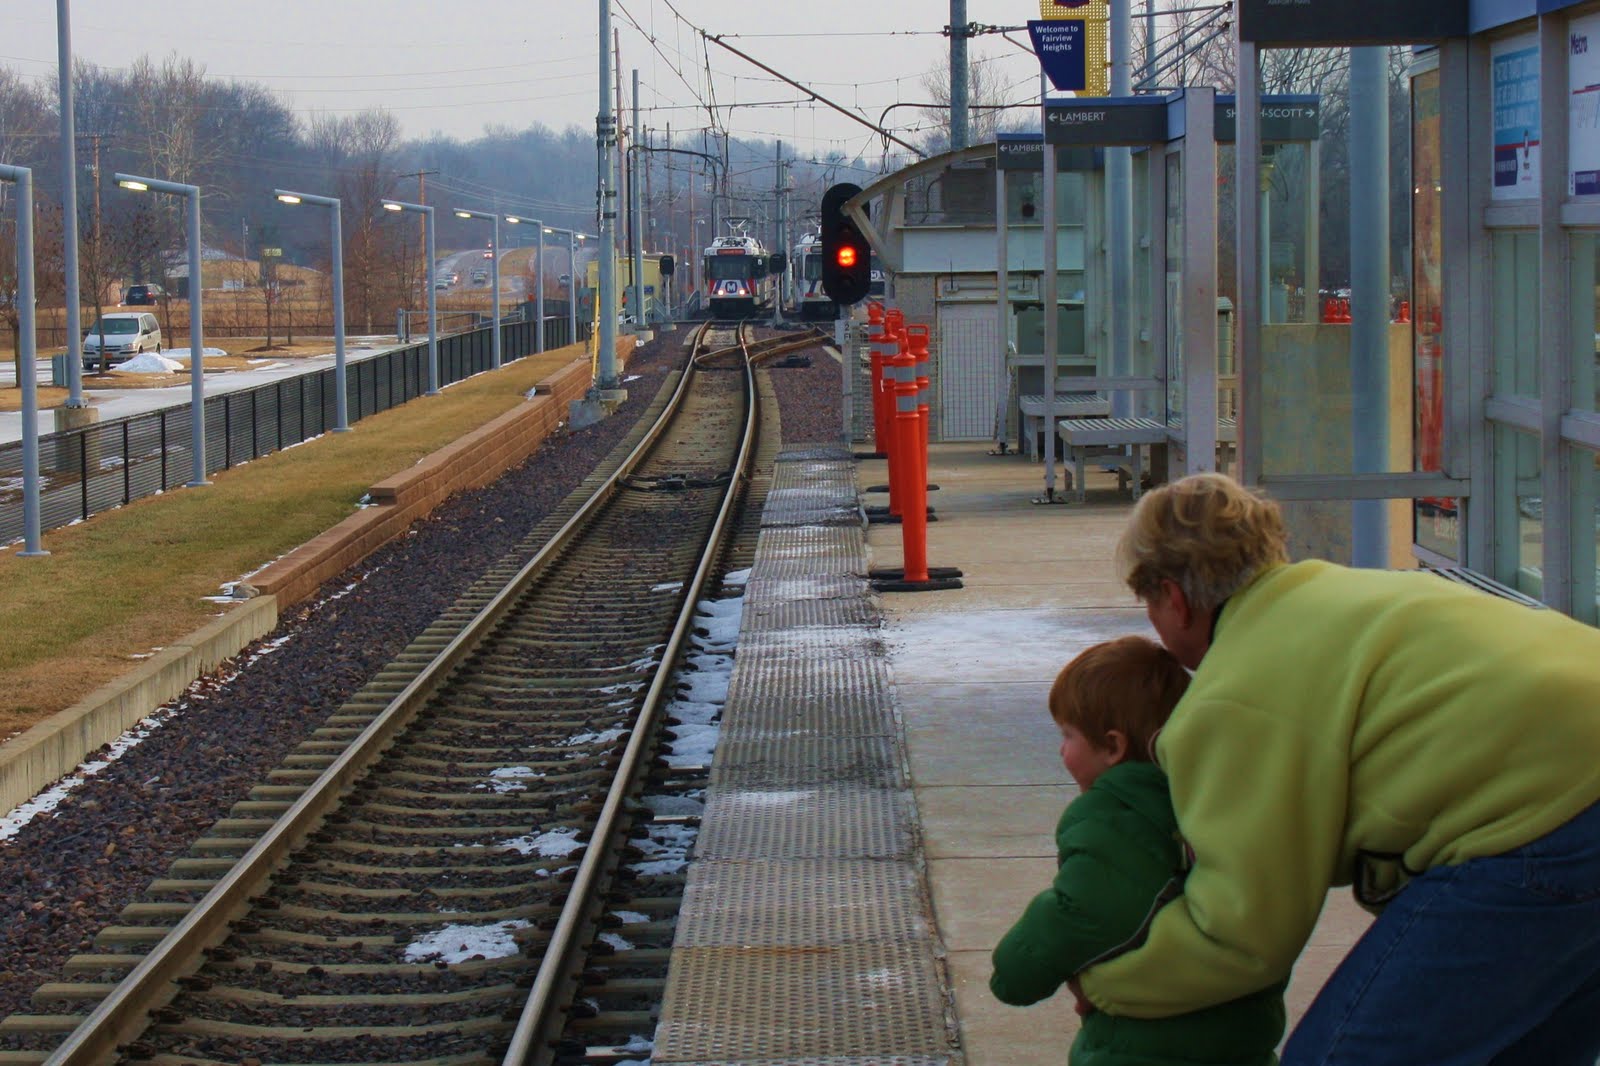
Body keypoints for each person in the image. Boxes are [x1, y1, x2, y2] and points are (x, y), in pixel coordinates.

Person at [1075, 472, 1600, 1065]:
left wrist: (1105, 981)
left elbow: (1243, 936)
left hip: (1550, 820)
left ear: (1173, 599)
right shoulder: (1350, 596)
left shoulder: (1233, 690)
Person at [990, 635, 1286, 1066]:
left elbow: (1084, 911)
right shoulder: (1221, 800)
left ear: (1113, 746)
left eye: (1068, 735)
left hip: (1143, 1049)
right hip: (1242, 1038)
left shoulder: (1114, 821)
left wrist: (1014, 971)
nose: (1061, 750)